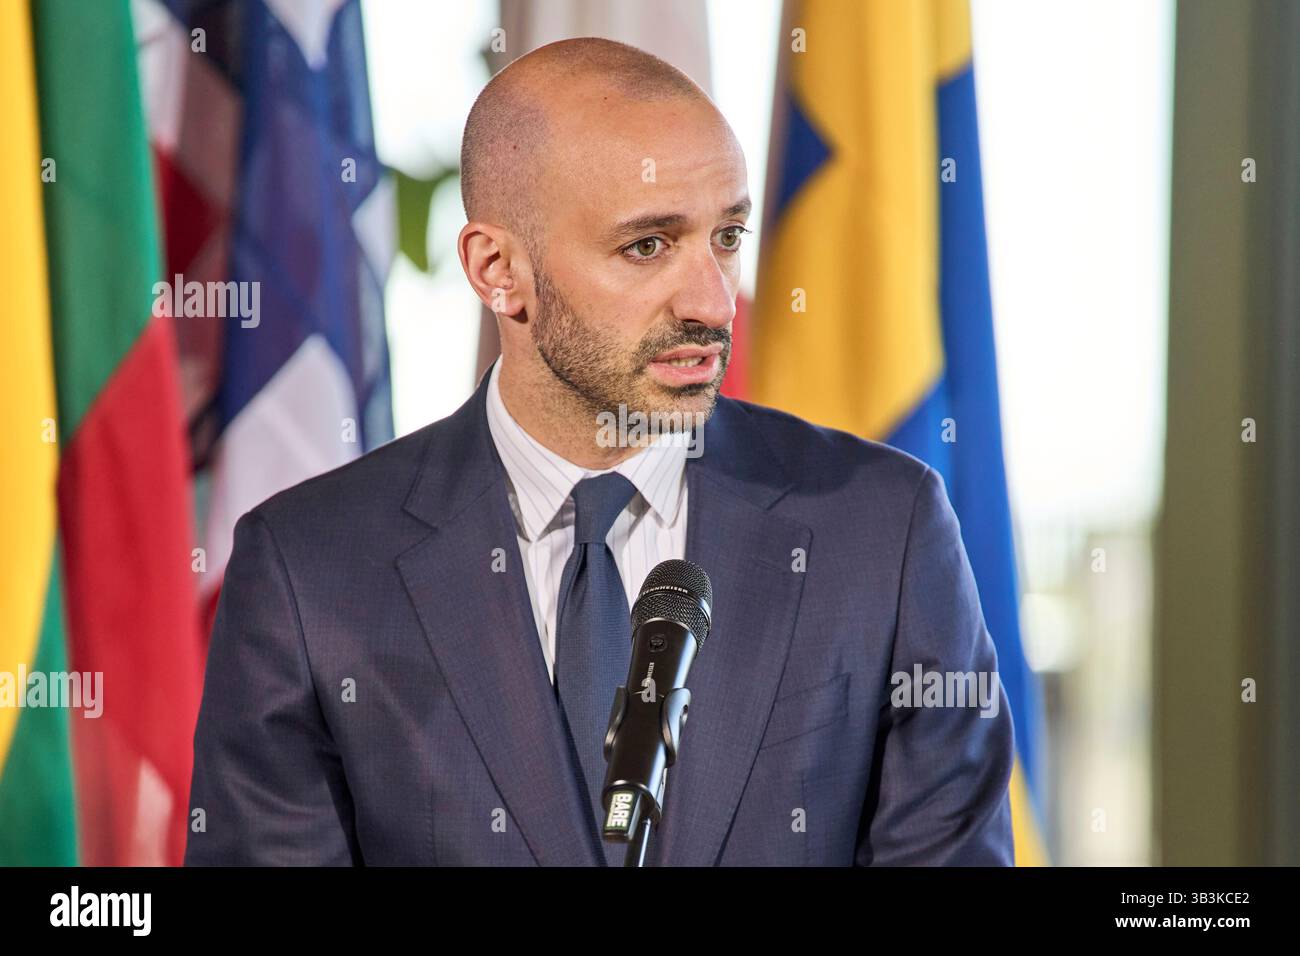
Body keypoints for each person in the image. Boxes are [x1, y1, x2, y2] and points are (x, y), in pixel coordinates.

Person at [185, 36, 1014, 866]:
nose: (713, 302)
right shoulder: (308, 569)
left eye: (726, 236)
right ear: (497, 268)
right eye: (647, 246)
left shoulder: (883, 529)